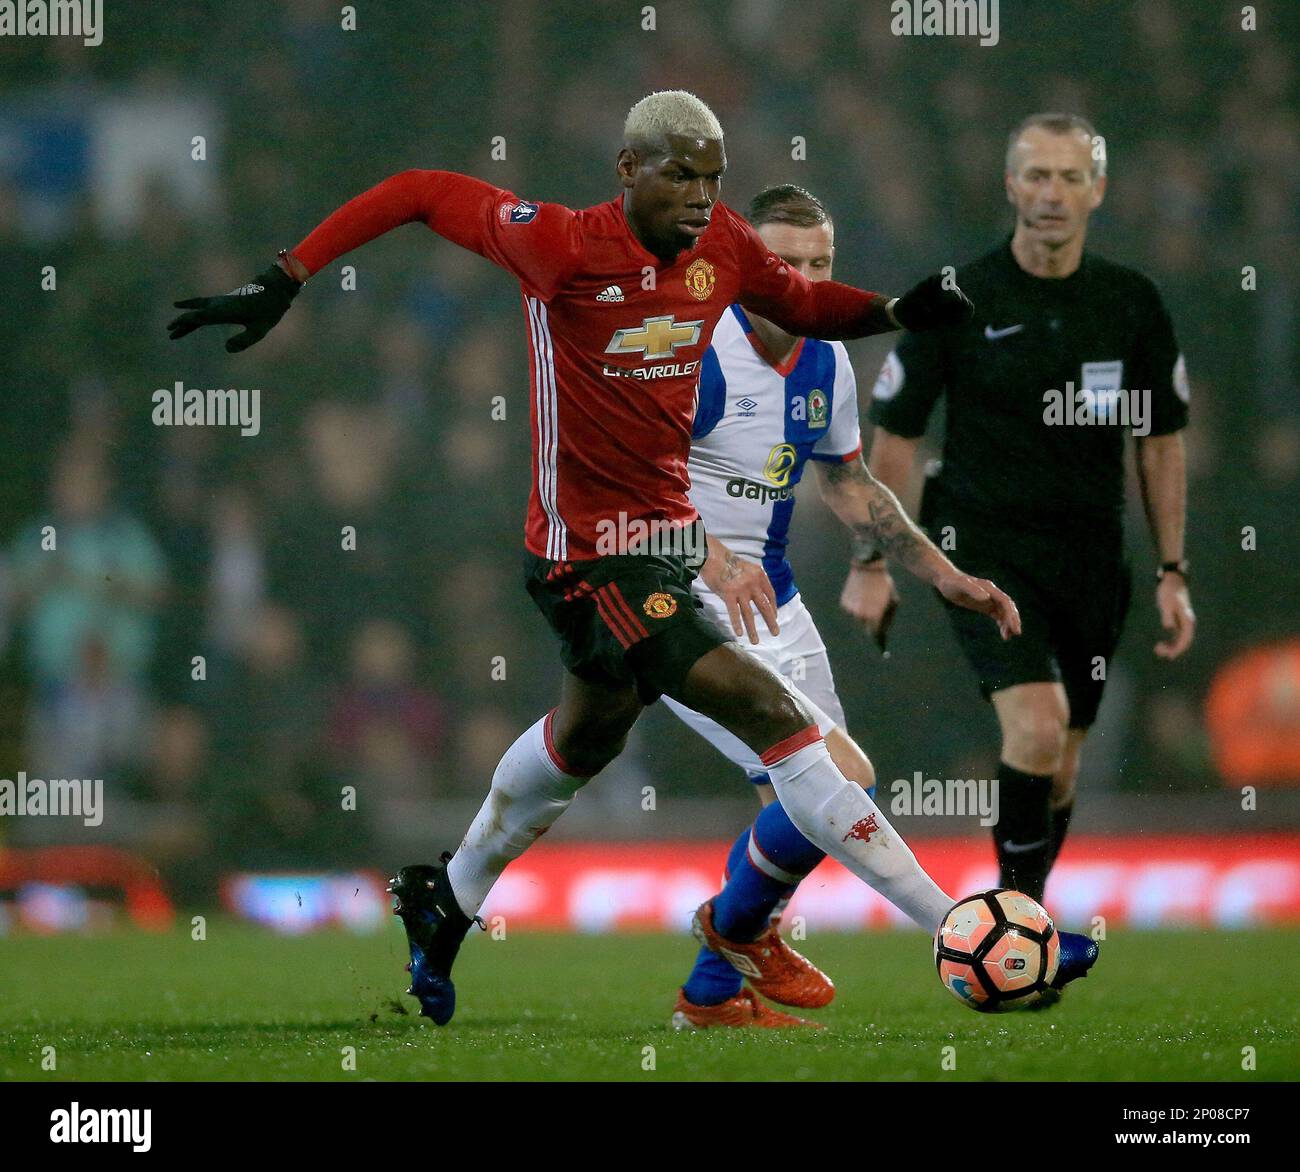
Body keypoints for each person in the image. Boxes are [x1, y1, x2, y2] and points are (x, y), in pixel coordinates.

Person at [169, 90, 1096, 1026]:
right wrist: (288, 272)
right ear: (628, 169)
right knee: (779, 721)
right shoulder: (559, 244)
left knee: (585, 738)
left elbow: (806, 305)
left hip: (658, 553)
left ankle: (448, 898)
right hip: (591, 555)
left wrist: (896, 309)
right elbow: (417, 190)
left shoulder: (723, 246)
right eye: (681, 175)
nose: (700, 196)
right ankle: (956, 927)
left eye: (713, 178)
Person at [660, 183, 989, 1028]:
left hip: (776, 601)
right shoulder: (693, 349)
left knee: (800, 805)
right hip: (683, 599)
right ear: (747, 266)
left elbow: (848, 482)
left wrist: (940, 573)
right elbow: (633, 485)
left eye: (822, 265)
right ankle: (747, 930)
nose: (805, 283)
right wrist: (715, 559)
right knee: (839, 781)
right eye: (786, 265)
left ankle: (712, 990)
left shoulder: (826, 358)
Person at [861, 113, 1195, 908]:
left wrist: (1172, 569)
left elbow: (1160, 442)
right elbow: (897, 437)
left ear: (1097, 190)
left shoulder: (1131, 302)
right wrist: (874, 559)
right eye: (1037, 176)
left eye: (1070, 177)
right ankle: (1017, 927)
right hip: (981, 549)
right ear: (1011, 185)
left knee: (1063, 762)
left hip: (1091, 556)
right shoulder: (957, 298)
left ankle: (1024, 915)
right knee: (1038, 728)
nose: (1052, 193)